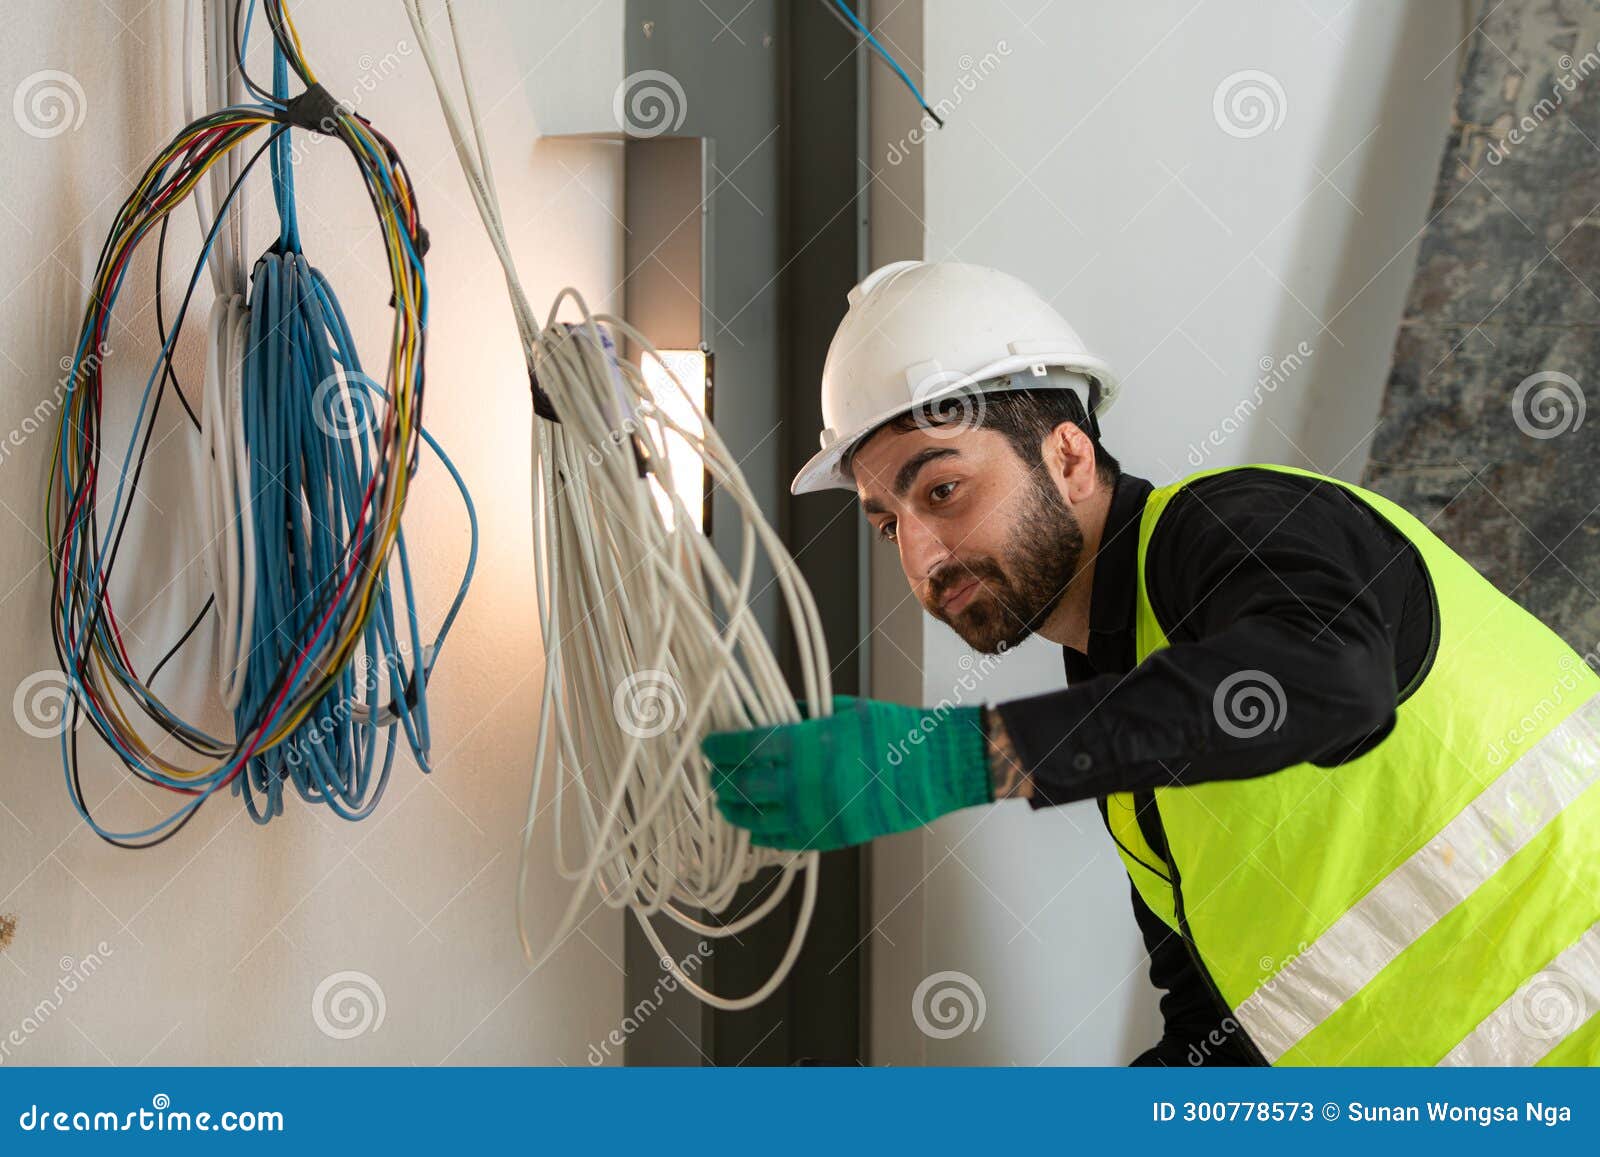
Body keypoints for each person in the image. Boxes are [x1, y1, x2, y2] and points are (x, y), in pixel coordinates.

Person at [700, 260, 1600, 1066]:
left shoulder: (1239, 524)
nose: (923, 557)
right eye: (891, 522)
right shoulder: (1122, 709)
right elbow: (1219, 1024)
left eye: (944, 490)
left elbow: (1333, 680)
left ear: (1067, 456)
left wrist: (964, 755)